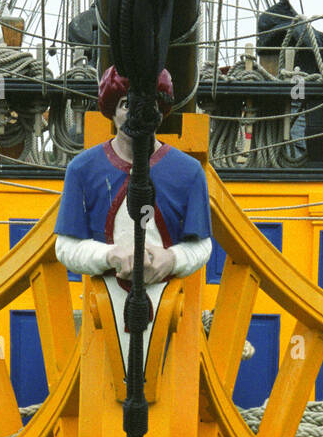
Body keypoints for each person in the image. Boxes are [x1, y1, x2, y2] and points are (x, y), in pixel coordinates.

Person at [54, 66, 212, 370]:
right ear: (113, 111)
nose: (136, 112)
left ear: (160, 111)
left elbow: (202, 244)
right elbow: (65, 246)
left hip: (168, 318)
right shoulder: (82, 170)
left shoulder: (189, 172)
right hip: (104, 317)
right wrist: (111, 255)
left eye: (148, 103)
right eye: (127, 104)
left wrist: (171, 260)